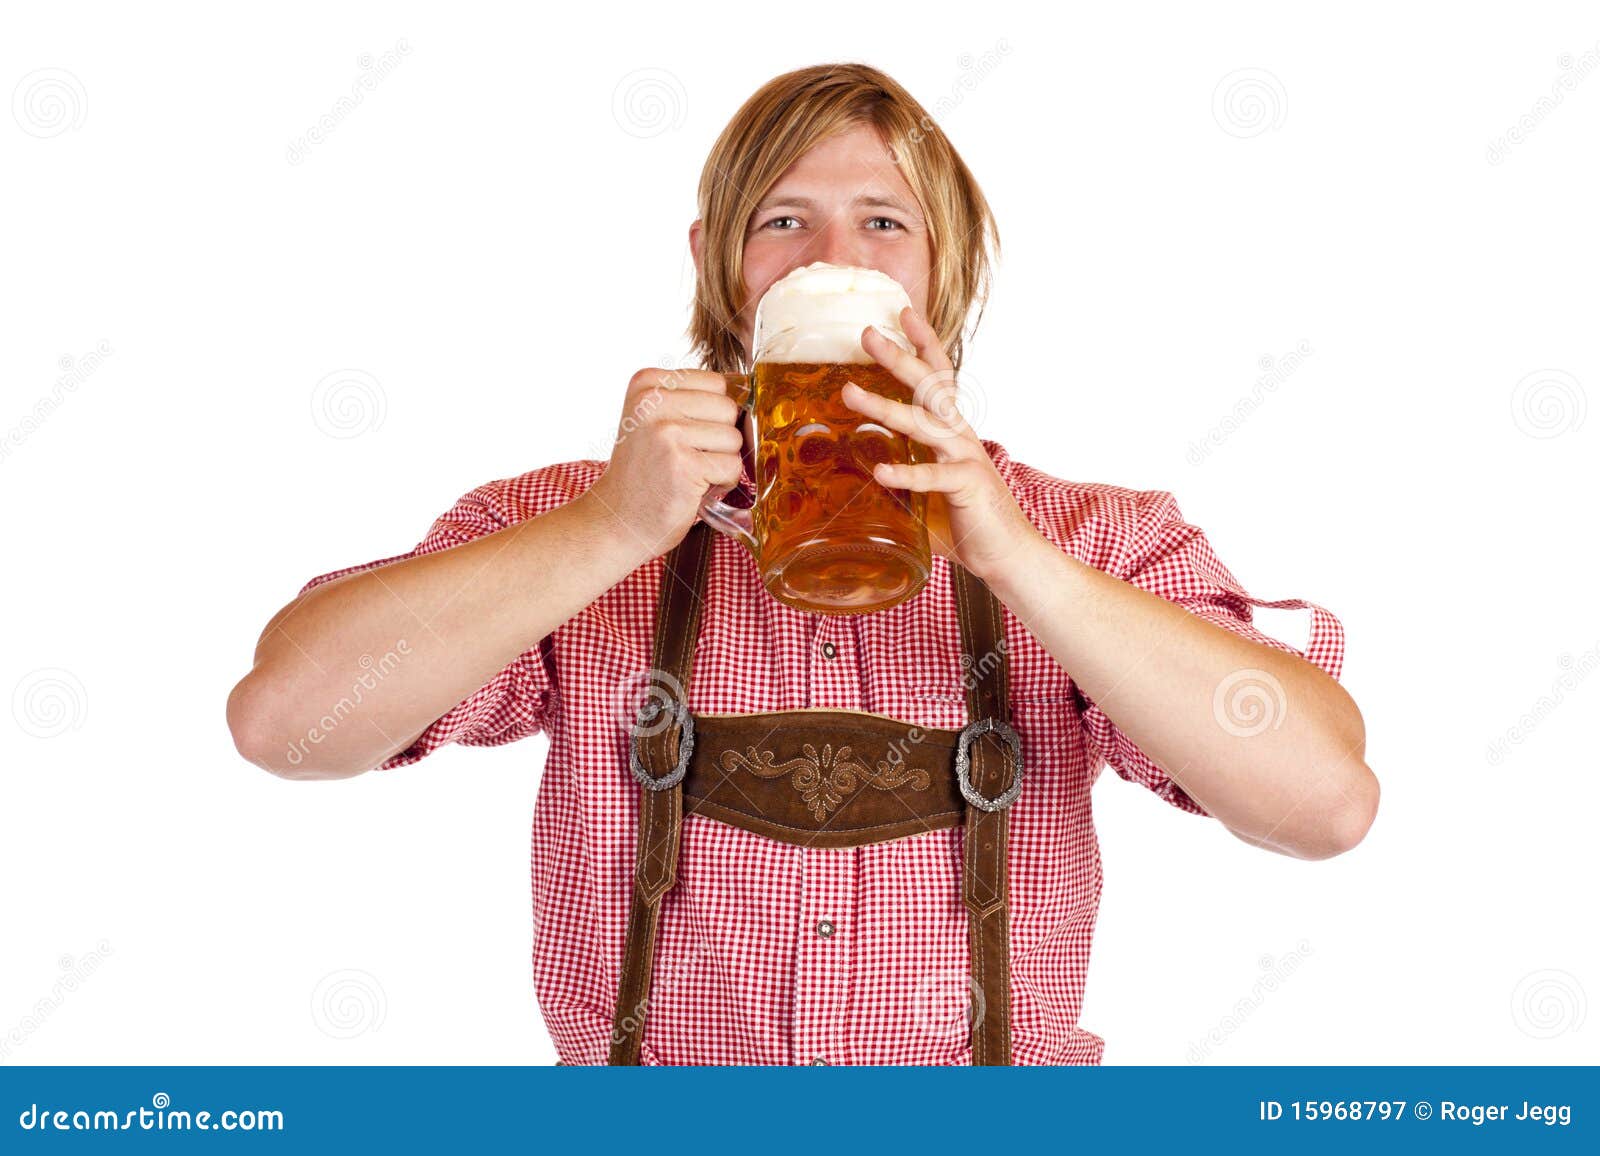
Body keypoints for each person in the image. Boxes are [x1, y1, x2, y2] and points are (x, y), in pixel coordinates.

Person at [226, 63, 1377, 1066]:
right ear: (721, 263)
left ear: (947, 267)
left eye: (884, 223)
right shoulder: (569, 526)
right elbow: (286, 724)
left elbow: (1322, 806)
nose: (834, 259)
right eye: (784, 221)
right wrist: (609, 532)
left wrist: (1022, 563)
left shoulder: (1090, 542)